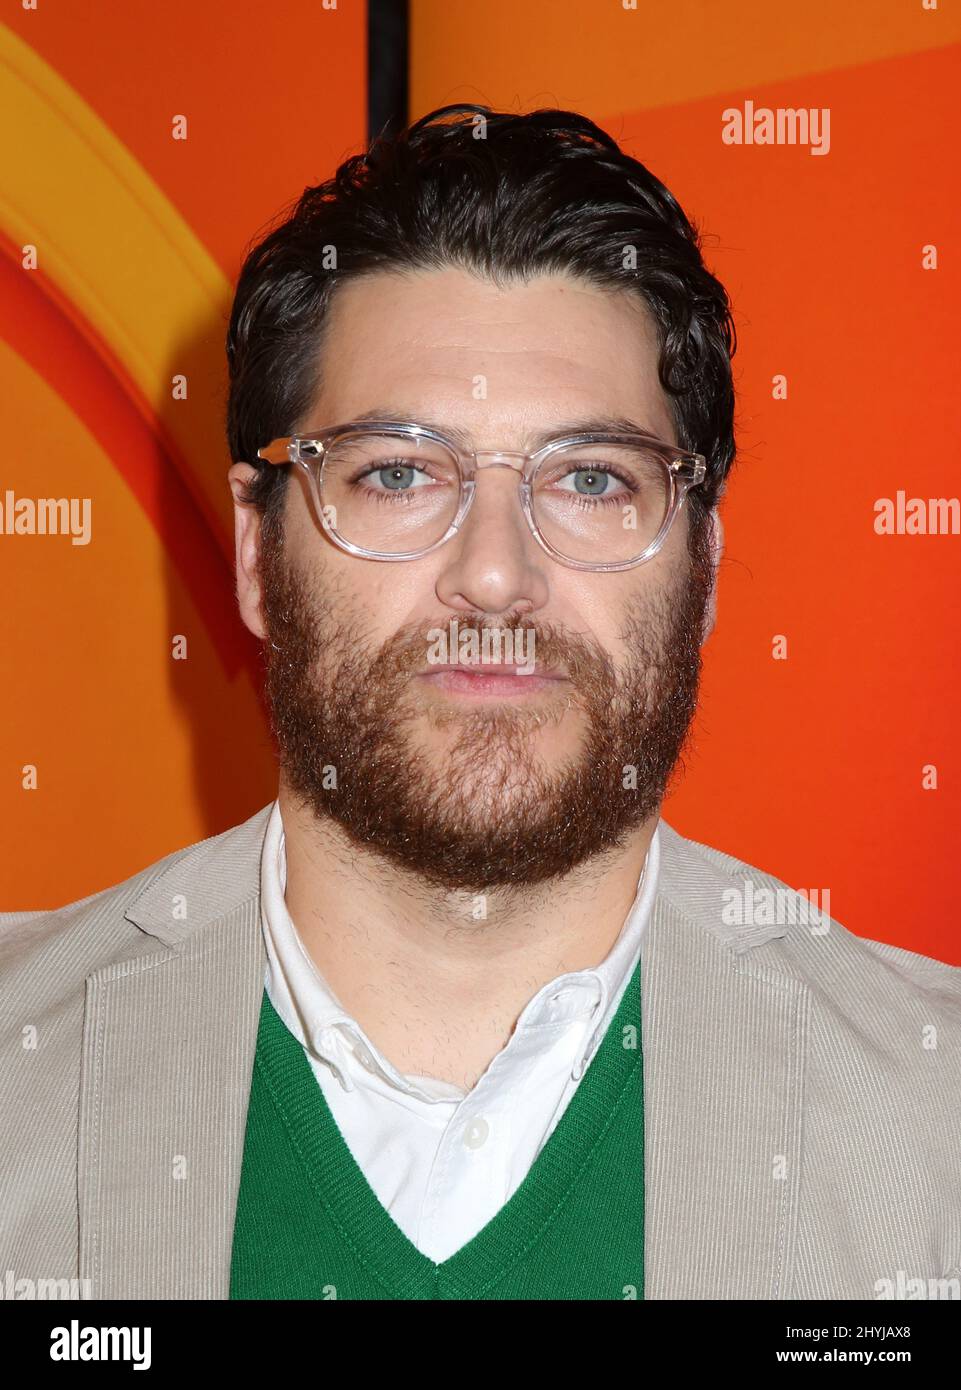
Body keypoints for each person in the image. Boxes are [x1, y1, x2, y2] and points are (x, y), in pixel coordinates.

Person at [1, 104, 958, 1303]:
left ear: (703, 565)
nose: (495, 571)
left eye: (592, 478)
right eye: (399, 472)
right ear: (256, 551)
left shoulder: (936, 1126)